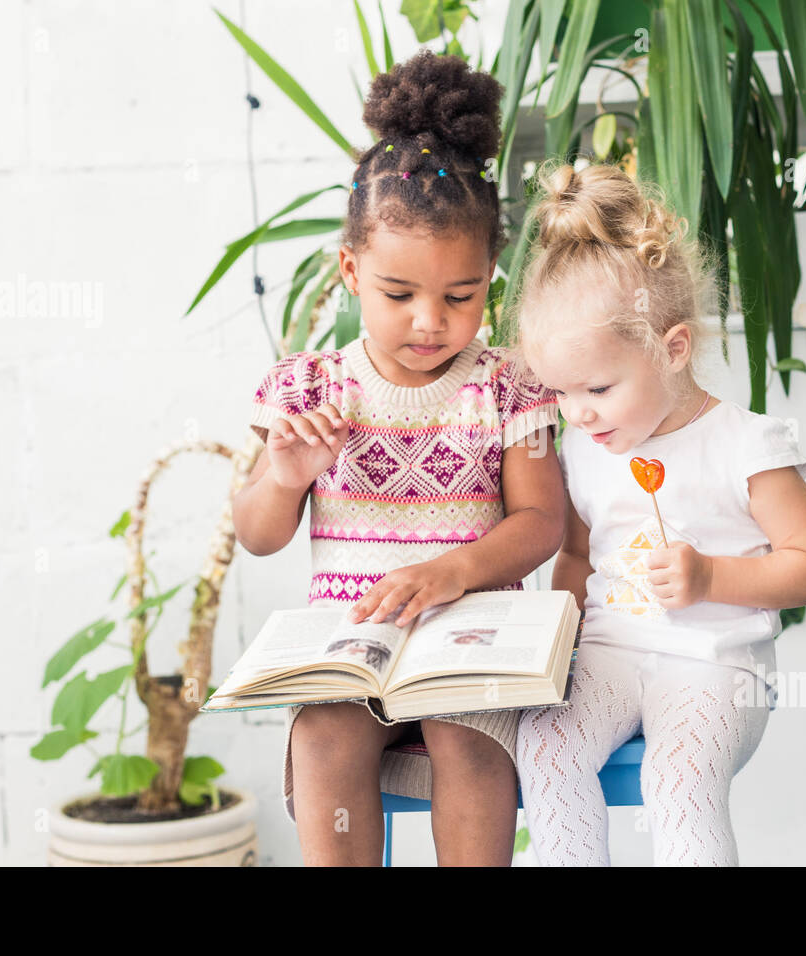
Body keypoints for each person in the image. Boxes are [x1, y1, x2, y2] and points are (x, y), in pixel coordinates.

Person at [231, 50, 565, 866]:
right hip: (354, 644)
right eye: (398, 294)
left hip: (471, 638)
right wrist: (286, 477)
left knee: (468, 745)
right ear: (351, 271)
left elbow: (542, 522)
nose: (429, 321)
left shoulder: (508, 386)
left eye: (460, 296)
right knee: (324, 733)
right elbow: (256, 534)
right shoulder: (308, 388)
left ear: (492, 276)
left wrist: (452, 572)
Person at [509, 160, 806, 866]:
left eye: (598, 386)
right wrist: (554, 648)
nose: (579, 412)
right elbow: (575, 556)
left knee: (677, 777)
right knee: (544, 745)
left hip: (715, 663)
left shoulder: (745, 445)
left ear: (674, 348)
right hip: (608, 656)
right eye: (562, 393)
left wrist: (711, 580)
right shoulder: (586, 443)